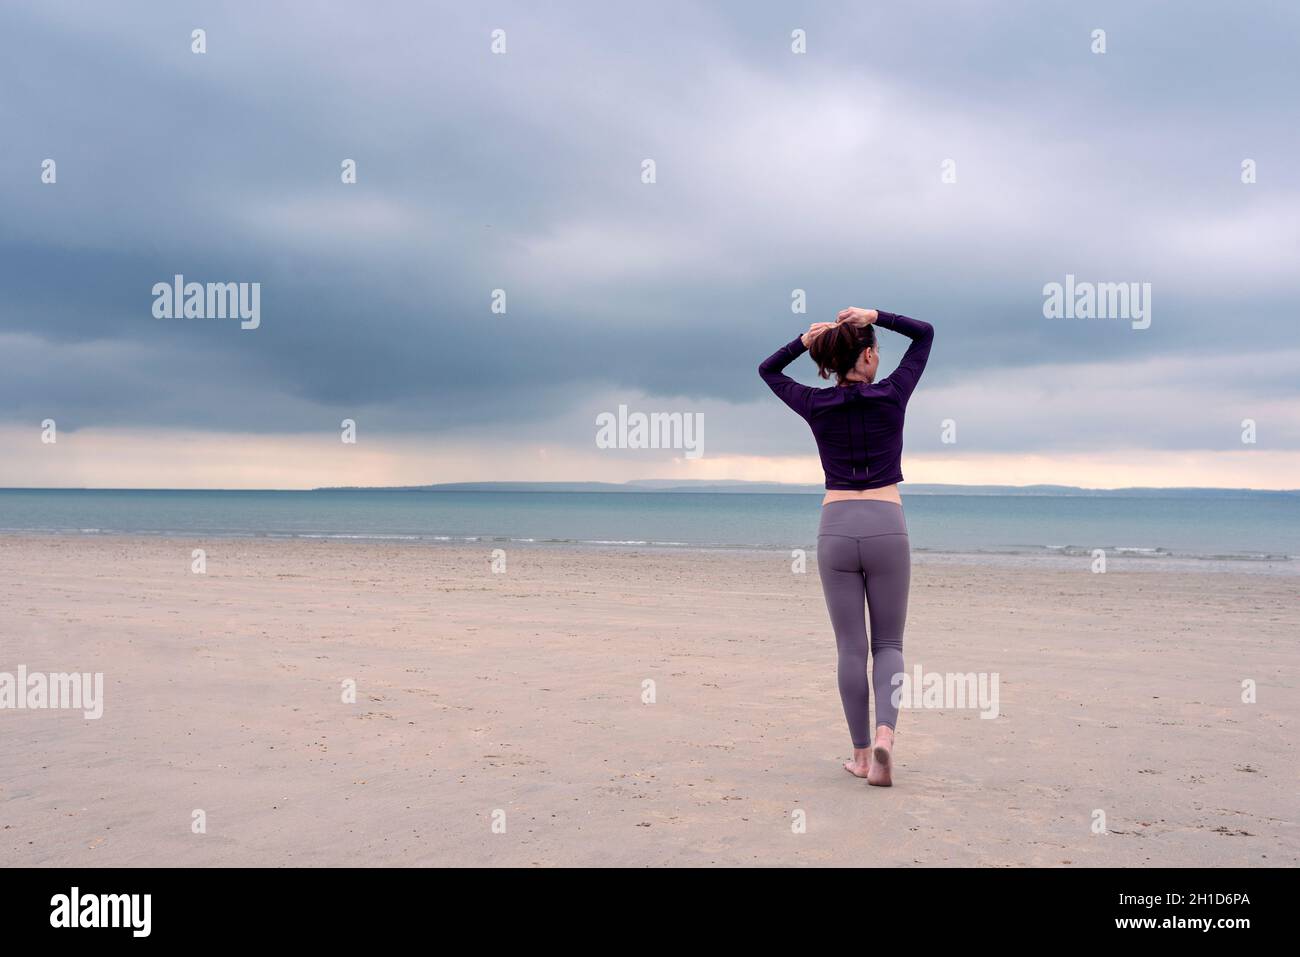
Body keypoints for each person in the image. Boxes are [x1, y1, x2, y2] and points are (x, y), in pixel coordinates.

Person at [758, 307, 934, 786]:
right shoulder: (893, 393)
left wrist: (804, 338)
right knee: (890, 643)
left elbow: (767, 369)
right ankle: (885, 735)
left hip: (836, 526)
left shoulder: (815, 405)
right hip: (885, 521)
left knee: (850, 648)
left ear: (833, 361)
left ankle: (859, 755)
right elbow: (924, 335)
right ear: (872, 356)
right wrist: (875, 314)